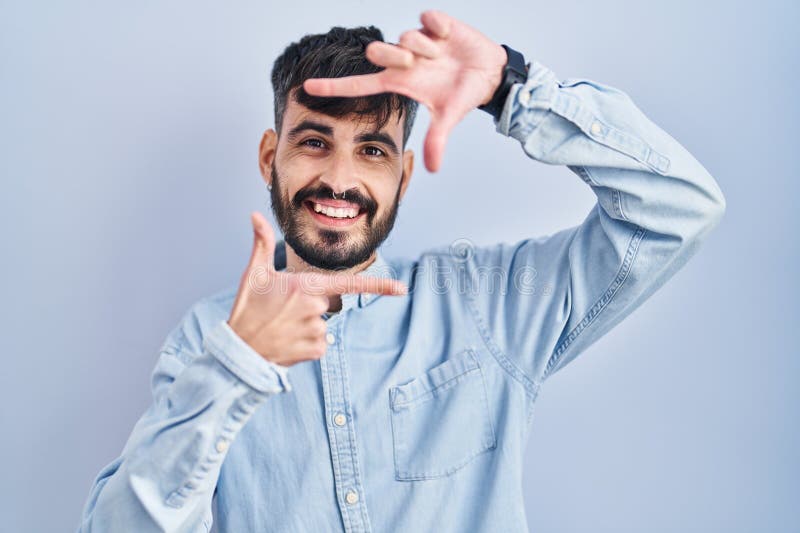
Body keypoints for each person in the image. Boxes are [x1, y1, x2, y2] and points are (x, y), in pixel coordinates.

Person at [77, 9, 726, 533]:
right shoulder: (210, 338)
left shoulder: (487, 303)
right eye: (313, 141)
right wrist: (234, 368)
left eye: (372, 149)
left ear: (404, 175)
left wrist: (512, 88)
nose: (339, 177)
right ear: (270, 156)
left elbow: (679, 209)